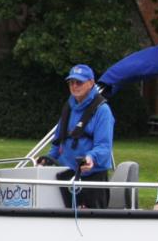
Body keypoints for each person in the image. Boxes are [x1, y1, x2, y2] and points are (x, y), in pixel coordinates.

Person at [38, 64, 115, 209]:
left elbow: (104, 147)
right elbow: (57, 142)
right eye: (71, 82)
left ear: (91, 83)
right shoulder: (68, 107)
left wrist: (90, 158)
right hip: (65, 178)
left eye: (79, 82)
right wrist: (47, 161)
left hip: (91, 181)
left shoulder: (102, 111)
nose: (74, 86)